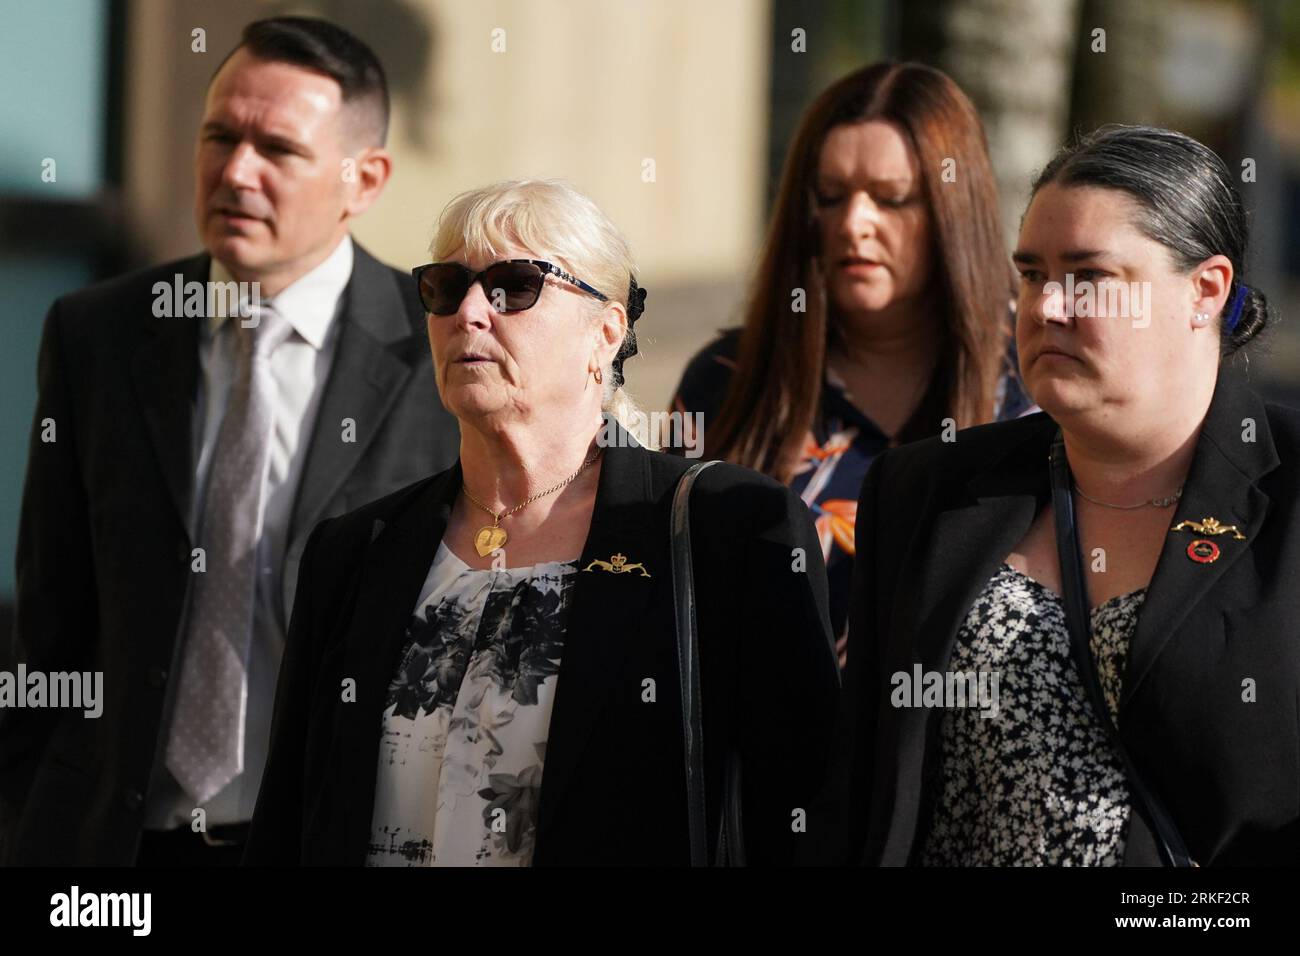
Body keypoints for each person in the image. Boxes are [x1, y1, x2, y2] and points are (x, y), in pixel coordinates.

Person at [243, 180, 840, 866]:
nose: (469, 312)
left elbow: (802, 816)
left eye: (513, 286)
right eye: (445, 286)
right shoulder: (356, 550)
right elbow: (289, 820)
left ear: (605, 333)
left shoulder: (724, 531)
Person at [0, 17, 460, 867]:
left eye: (278, 149)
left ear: (365, 178)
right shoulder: (97, 334)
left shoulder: (438, 351)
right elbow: (53, 617)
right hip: (115, 847)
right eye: (220, 136)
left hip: (325, 838)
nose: (236, 172)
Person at [843, 125, 1300, 866]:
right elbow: (865, 784)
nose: (1047, 307)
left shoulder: (1288, 493)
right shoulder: (929, 488)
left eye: (1089, 276)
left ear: (1205, 291)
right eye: (1030, 274)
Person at [667, 62, 1034, 665]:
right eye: (830, 197)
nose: (853, 223)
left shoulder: (1034, 383)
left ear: (954, 208)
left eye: (891, 199)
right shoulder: (725, 380)